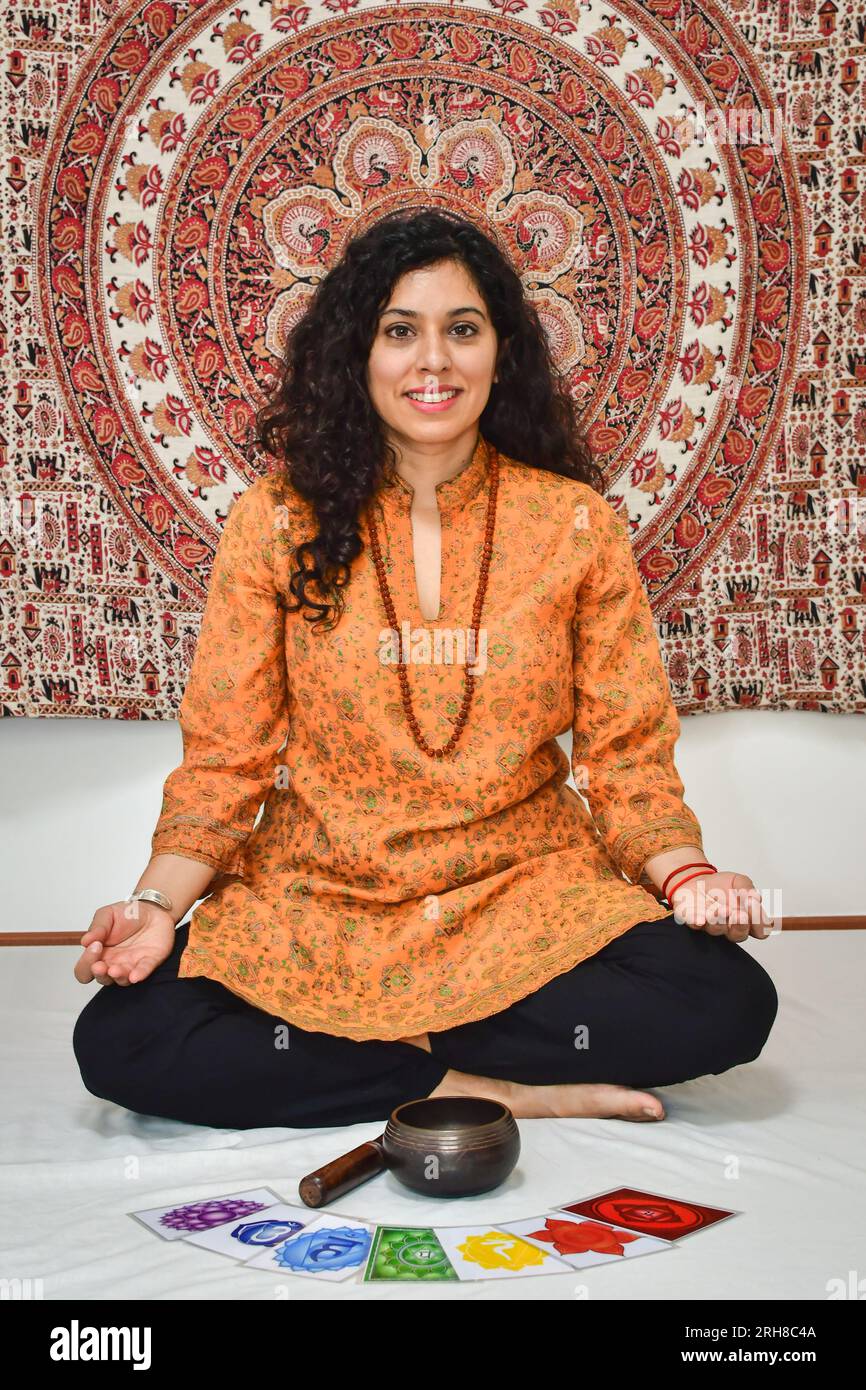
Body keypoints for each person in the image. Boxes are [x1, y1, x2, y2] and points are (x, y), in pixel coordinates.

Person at [72, 208, 778, 1131]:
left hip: (518, 898)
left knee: (728, 1002)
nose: (433, 361)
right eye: (400, 331)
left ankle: (358, 1058)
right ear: (357, 355)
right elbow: (224, 765)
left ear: (502, 352)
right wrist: (153, 905)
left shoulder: (573, 526)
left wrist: (689, 878)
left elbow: (627, 755)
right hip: (322, 902)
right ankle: (485, 1087)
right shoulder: (274, 521)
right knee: (124, 1037)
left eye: (463, 330)